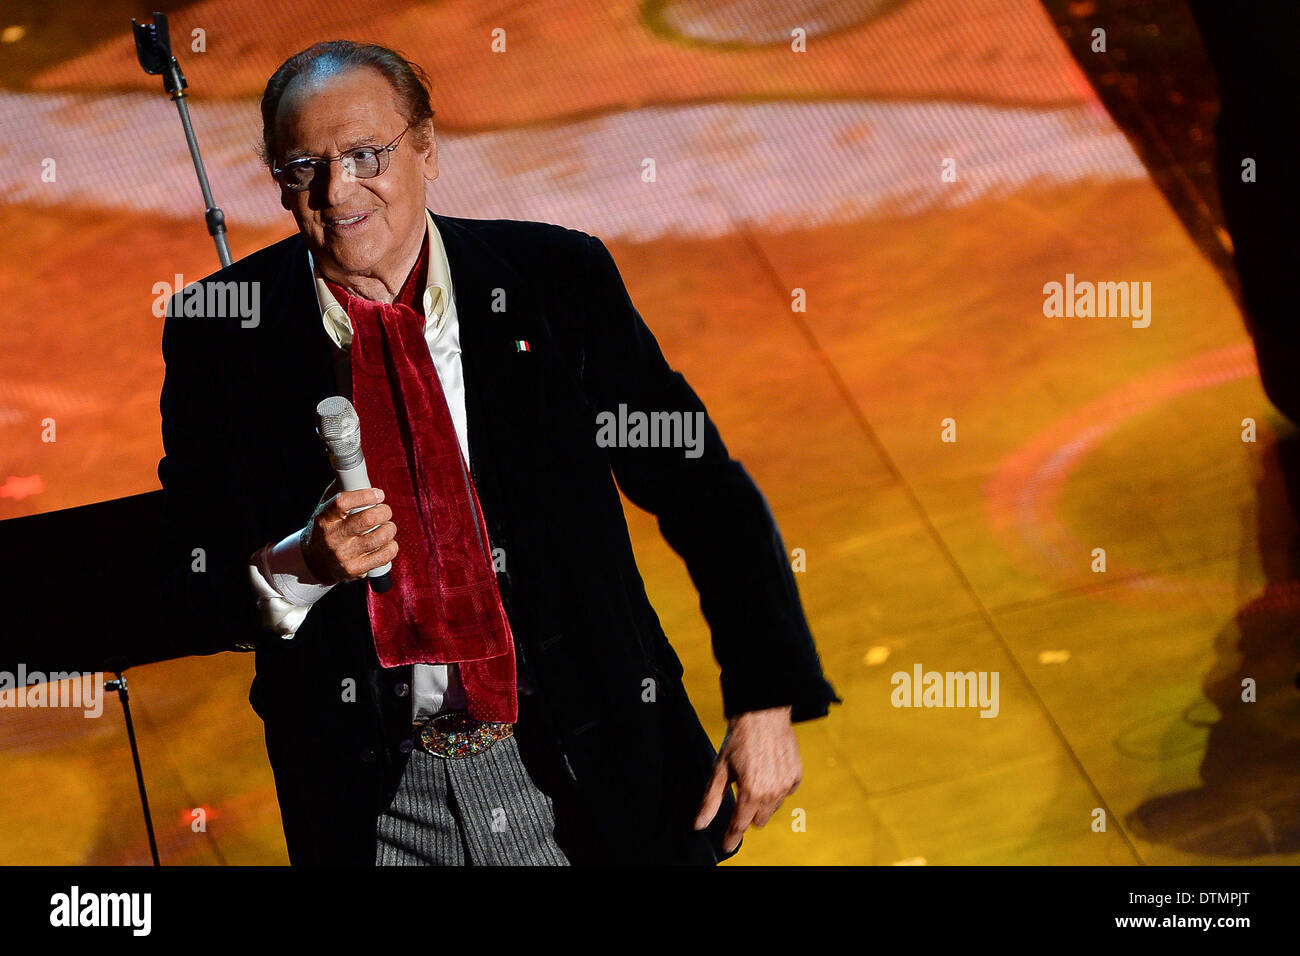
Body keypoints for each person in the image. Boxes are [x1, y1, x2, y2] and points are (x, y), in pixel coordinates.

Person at [157, 39, 840, 866]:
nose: (338, 193)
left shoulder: (557, 280)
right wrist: (303, 561)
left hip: (591, 774)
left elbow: (703, 489)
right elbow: (192, 575)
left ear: (427, 146)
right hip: (377, 809)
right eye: (304, 166)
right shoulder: (220, 333)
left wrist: (766, 695)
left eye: (367, 155)